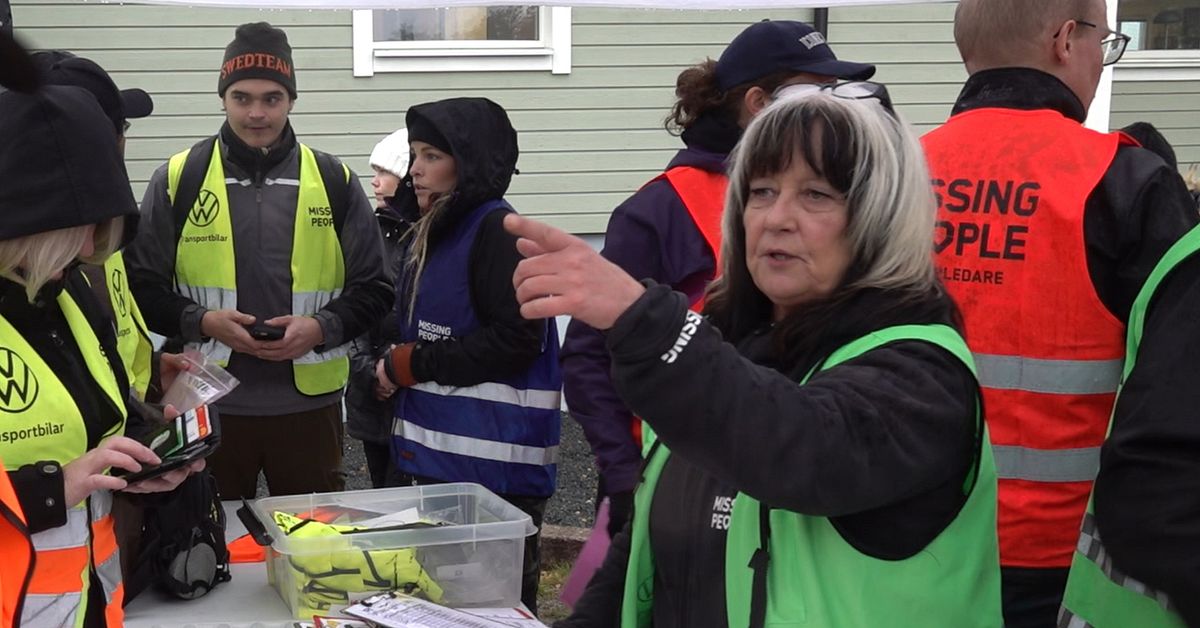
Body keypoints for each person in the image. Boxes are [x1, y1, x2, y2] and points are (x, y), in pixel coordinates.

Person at [509, 84, 1003, 627]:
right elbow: (647, 552)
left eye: (816, 194)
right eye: (761, 191)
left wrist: (645, 322)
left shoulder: (920, 372)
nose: (776, 217)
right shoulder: (724, 347)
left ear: (881, 217)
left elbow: (799, 448)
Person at [923, 2, 1200, 626]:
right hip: (1060, 556)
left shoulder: (893, 172)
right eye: (1106, 41)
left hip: (909, 537)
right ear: (1065, 39)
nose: (1104, 62)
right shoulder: (1124, 181)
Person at [560, 19, 875, 538]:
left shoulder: (840, 203)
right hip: (669, 479)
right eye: (815, 91)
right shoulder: (659, 209)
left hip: (785, 466)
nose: (831, 106)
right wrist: (623, 478)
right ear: (757, 102)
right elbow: (588, 356)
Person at [125, 22, 393, 499]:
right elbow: (140, 287)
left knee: (315, 546)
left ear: (291, 100)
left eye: (271, 98)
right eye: (241, 97)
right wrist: (203, 320)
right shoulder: (177, 179)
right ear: (223, 98)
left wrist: (320, 328)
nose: (256, 113)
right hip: (206, 403)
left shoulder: (333, 180)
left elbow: (376, 289)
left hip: (309, 410)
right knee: (208, 548)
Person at [0, 50, 201, 627]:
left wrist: (144, 458)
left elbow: (98, 416)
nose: (91, 250)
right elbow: (55, 476)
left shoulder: (66, 294)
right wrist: (46, 491)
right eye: (76, 228)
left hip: (88, 605)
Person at [373, 97, 562, 614]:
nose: (414, 170)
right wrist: (394, 360)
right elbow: (428, 328)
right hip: (440, 470)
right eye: (414, 154)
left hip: (494, 482)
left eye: (431, 155)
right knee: (433, 611)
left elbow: (517, 340)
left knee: (489, 614)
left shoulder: (498, 233)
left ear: (470, 160)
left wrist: (412, 364)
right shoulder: (439, 230)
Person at [31, 50, 159, 403]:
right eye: (122, 127)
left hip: (123, 427)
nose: (125, 141)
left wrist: (158, 371)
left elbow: (113, 336)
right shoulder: (46, 249)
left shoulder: (104, 222)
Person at [346, 127, 412, 488]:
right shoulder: (367, 233)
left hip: (414, 391)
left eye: (385, 173)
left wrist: (397, 368)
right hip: (372, 394)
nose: (375, 183)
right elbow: (353, 309)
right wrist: (370, 372)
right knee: (384, 497)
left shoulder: (433, 237)